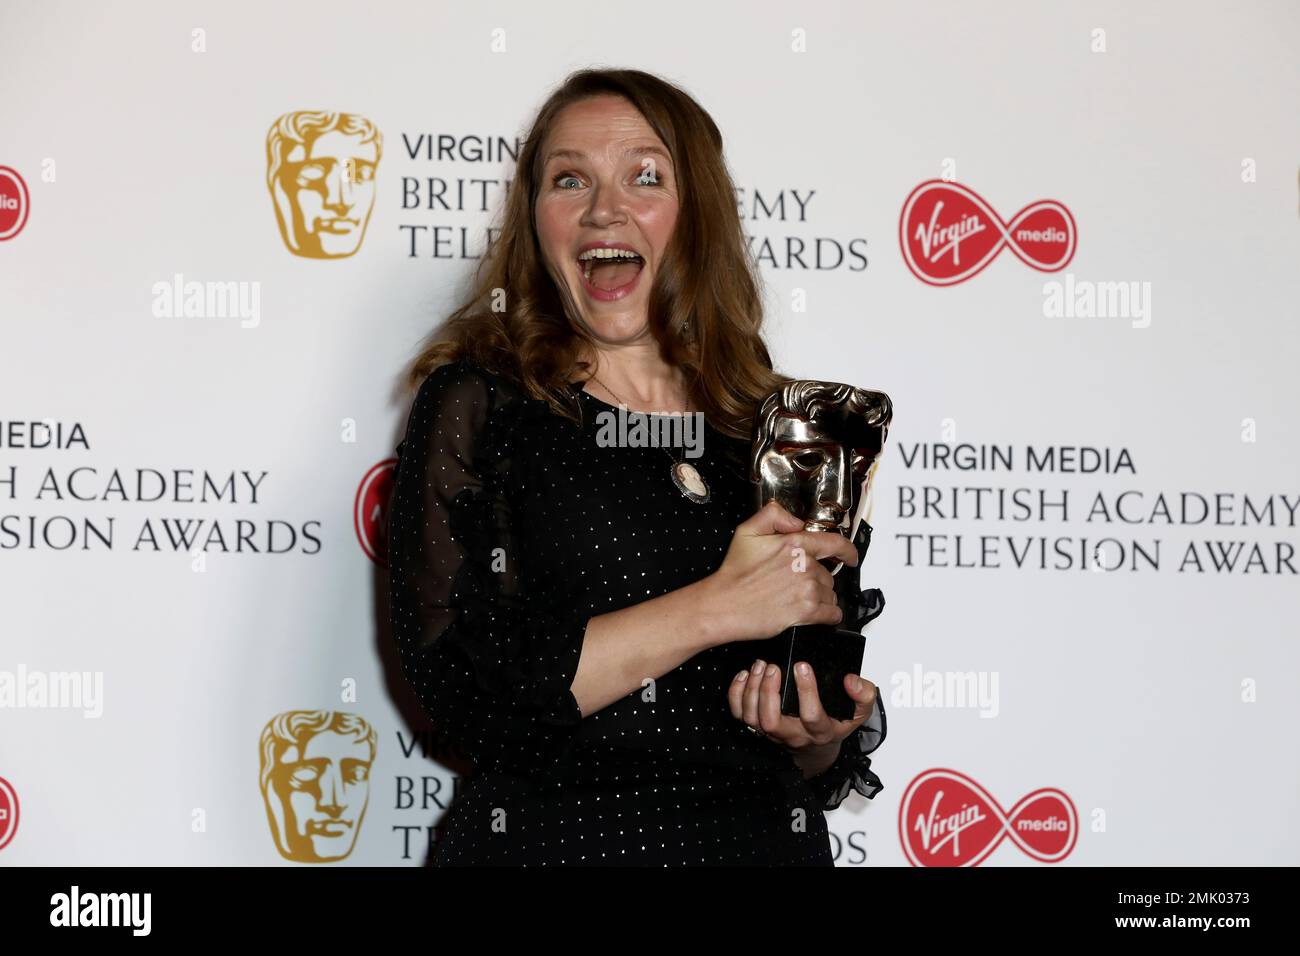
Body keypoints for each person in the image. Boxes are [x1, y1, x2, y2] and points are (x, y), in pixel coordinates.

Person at [386, 68, 887, 866]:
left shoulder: (776, 434)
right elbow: (469, 700)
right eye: (569, 178)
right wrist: (717, 607)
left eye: (645, 176)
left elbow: (820, 738)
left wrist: (818, 732)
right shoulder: (484, 406)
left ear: (698, 218)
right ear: (536, 219)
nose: (603, 209)